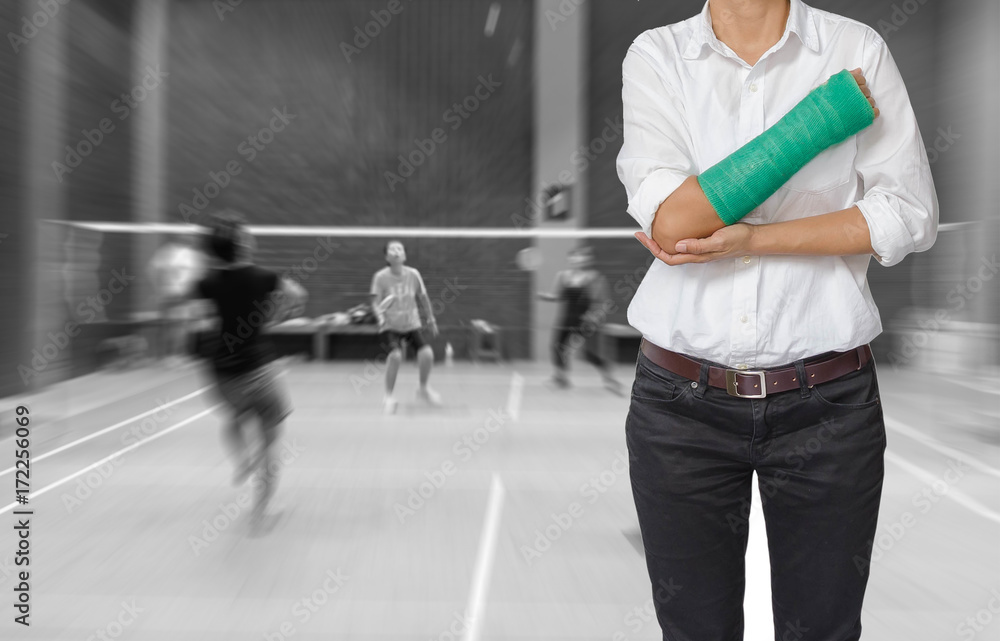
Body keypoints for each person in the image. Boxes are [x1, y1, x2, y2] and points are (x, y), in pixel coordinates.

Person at [616, 1, 938, 639]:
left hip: (829, 405)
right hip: (680, 408)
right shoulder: (657, 54)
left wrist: (754, 239)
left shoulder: (856, 46)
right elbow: (675, 224)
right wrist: (821, 120)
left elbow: (910, 213)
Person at [189, 211, 307, 523]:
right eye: (247, 234)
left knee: (235, 417)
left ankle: (242, 460)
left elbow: (195, 318)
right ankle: (260, 511)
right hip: (260, 372)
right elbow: (298, 294)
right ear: (242, 244)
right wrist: (275, 315)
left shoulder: (205, 282)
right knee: (270, 442)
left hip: (223, 378)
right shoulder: (264, 278)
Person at [538, 245, 623, 394]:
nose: (578, 259)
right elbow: (558, 296)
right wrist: (545, 296)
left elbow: (604, 301)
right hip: (566, 319)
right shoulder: (563, 276)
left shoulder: (594, 277)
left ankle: (609, 379)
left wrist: (594, 316)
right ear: (570, 259)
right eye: (575, 256)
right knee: (557, 347)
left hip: (585, 321)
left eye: (582, 256)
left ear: (588, 260)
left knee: (589, 354)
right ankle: (561, 378)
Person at [370, 240, 441, 414]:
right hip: (390, 326)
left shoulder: (413, 274)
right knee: (395, 357)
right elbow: (375, 302)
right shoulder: (380, 277)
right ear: (387, 257)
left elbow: (423, 297)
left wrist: (431, 319)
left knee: (427, 355)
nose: (396, 251)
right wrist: (379, 316)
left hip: (411, 324)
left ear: (404, 256)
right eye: (392, 249)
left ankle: (423, 388)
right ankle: (388, 396)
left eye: (399, 248)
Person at [149, 233, 206, 365]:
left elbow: (152, 269)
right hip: (178, 293)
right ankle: (173, 356)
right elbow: (153, 269)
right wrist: (159, 288)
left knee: (176, 325)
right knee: (177, 325)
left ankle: (173, 356)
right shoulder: (187, 254)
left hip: (178, 293)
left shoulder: (169, 251)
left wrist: (158, 288)